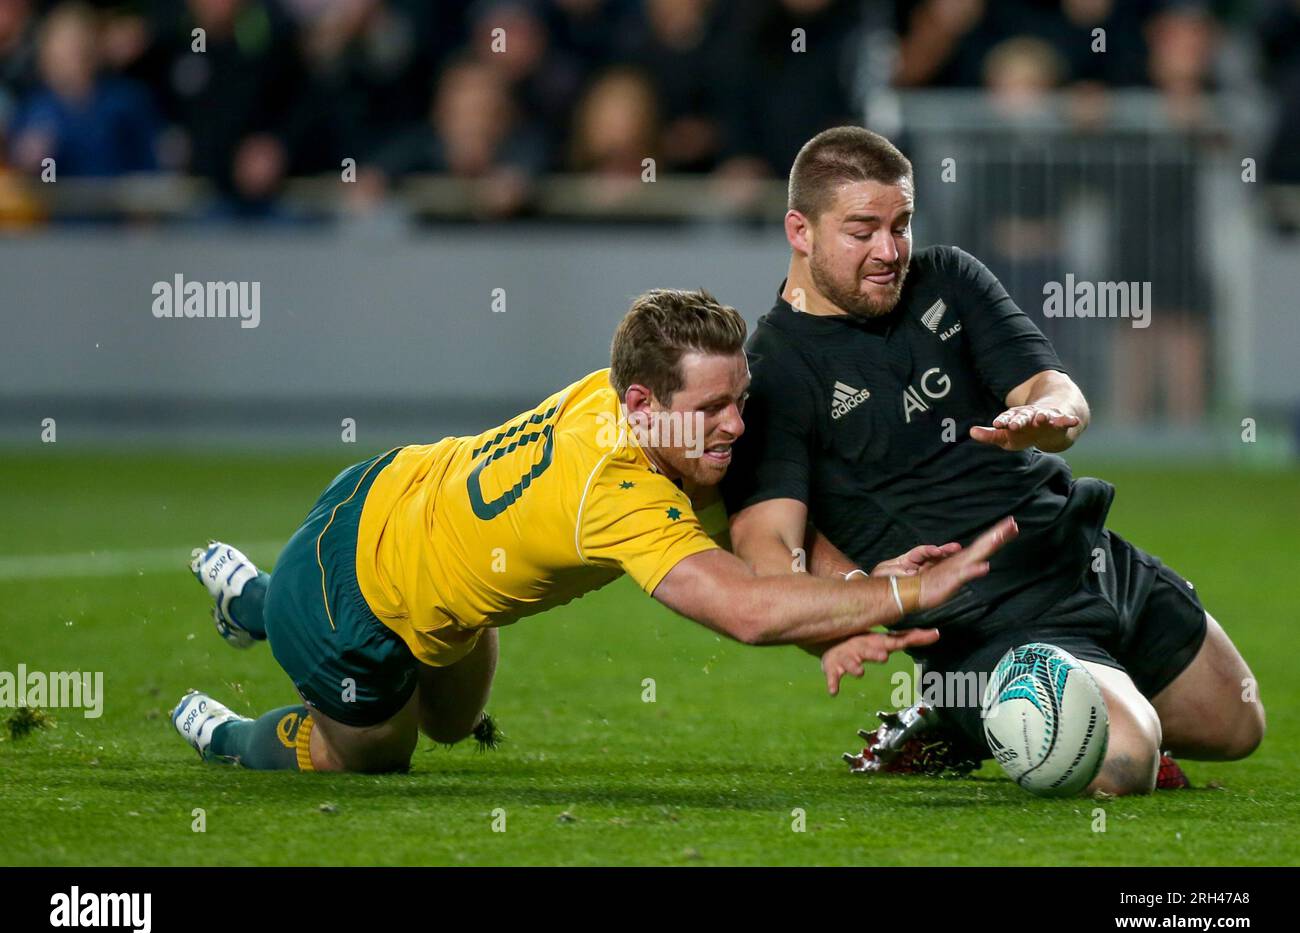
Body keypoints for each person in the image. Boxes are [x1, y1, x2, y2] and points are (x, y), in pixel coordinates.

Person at [174, 288, 1017, 773]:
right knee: (372, 765)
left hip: (394, 496)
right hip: (347, 603)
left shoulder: (632, 401)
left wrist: (855, 596)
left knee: (455, 725)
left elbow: (764, 556)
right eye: (713, 408)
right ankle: (232, 722)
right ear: (643, 404)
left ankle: (251, 600)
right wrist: (902, 590)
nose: (734, 426)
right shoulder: (616, 492)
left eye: (742, 398)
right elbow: (748, 610)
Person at [721, 125, 1264, 796]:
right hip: (984, 617)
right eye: (862, 232)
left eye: (902, 225)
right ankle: (966, 704)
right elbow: (766, 541)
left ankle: (965, 722)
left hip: (1077, 548)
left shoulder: (949, 276)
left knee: (1238, 725)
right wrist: (842, 613)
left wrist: (1050, 416)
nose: (889, 251)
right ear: (800, 231)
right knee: (1125, 759)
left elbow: (1054, 391)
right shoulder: (773, 371)